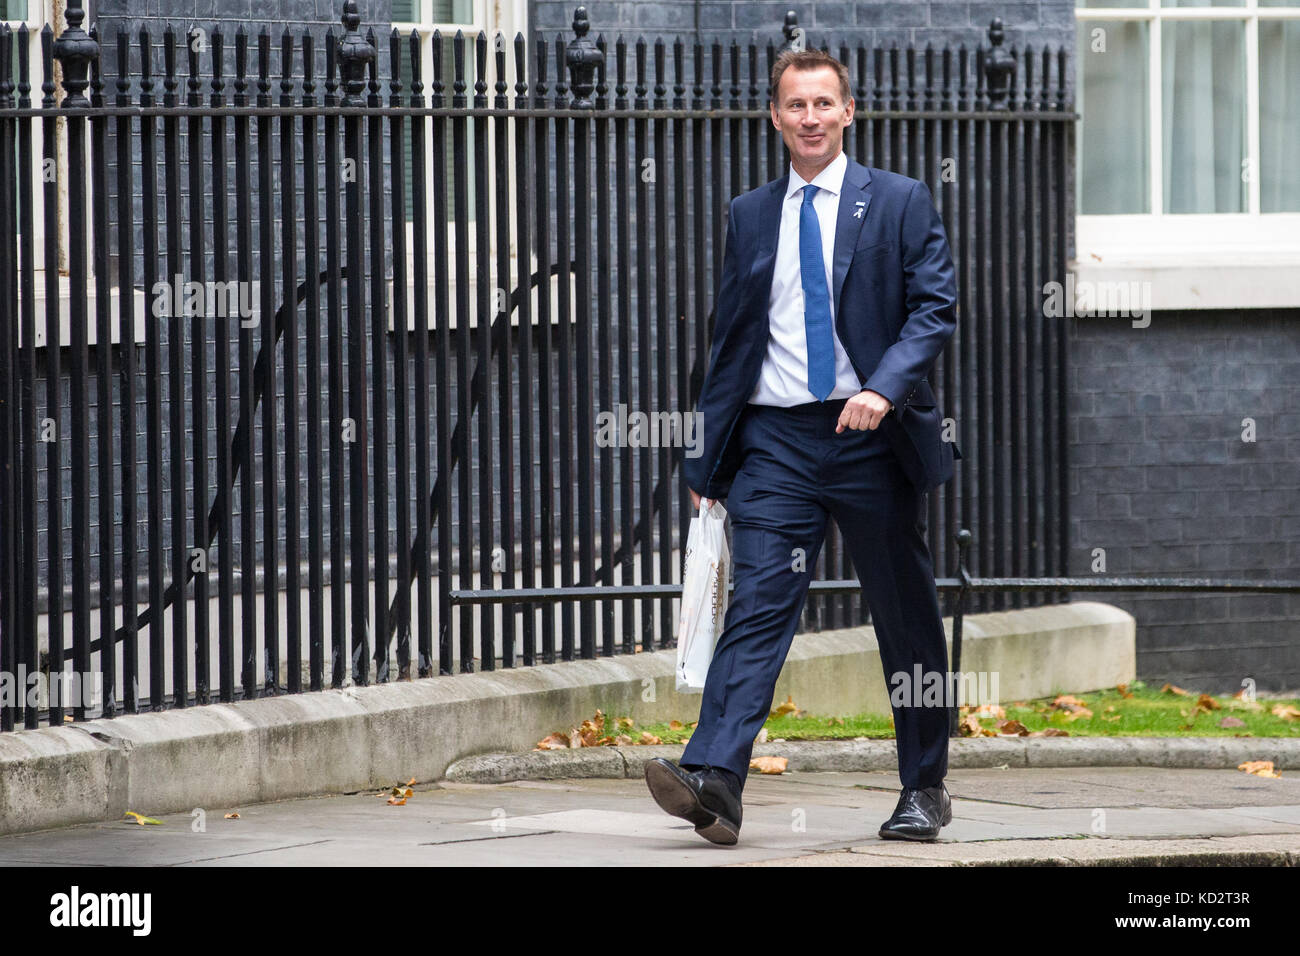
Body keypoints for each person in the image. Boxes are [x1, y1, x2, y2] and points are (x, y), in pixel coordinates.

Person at [644, 47, 960, 846]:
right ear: (775, 116)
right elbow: (731, 342)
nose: (811, 118)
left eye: (824, 104)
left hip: (869, 437)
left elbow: (933, 310)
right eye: (796, 105)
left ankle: (924, 787)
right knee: (758, 605)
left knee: (904, 615)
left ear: (849, 111)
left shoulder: (898, 201)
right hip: (776, 440)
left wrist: (882, 388)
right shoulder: (751, 212)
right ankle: (716, 777)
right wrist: (705, 462)